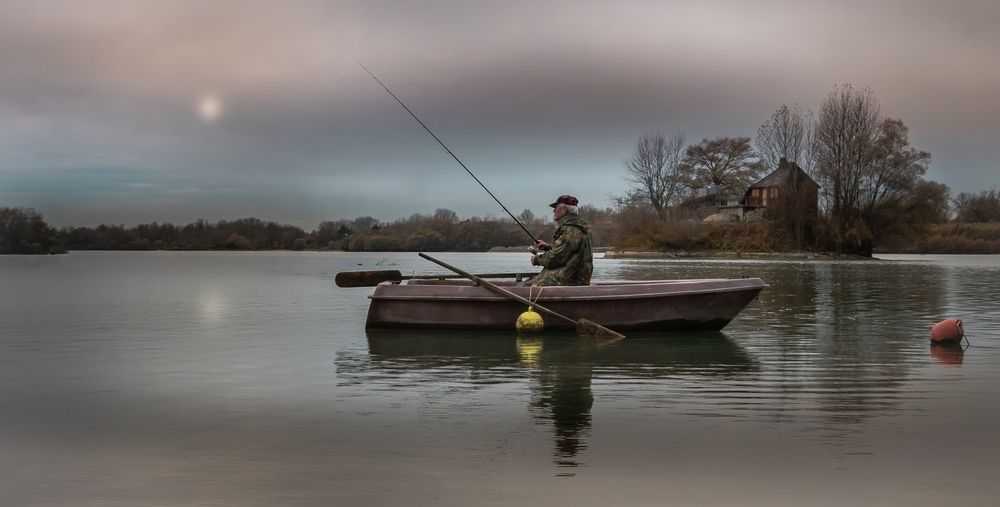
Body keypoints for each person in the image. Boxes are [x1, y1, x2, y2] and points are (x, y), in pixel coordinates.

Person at [529, 195, 593, 286]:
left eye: (556, 208)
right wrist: (549, 248)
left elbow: (555, 259)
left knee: (533, 283)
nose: (554, 211)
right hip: (573, 276)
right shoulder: (578, 227)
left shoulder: (571, 230)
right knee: (531, 281)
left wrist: (537, 260)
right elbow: (568, 252)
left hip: (570, 279)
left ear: (563, 210)